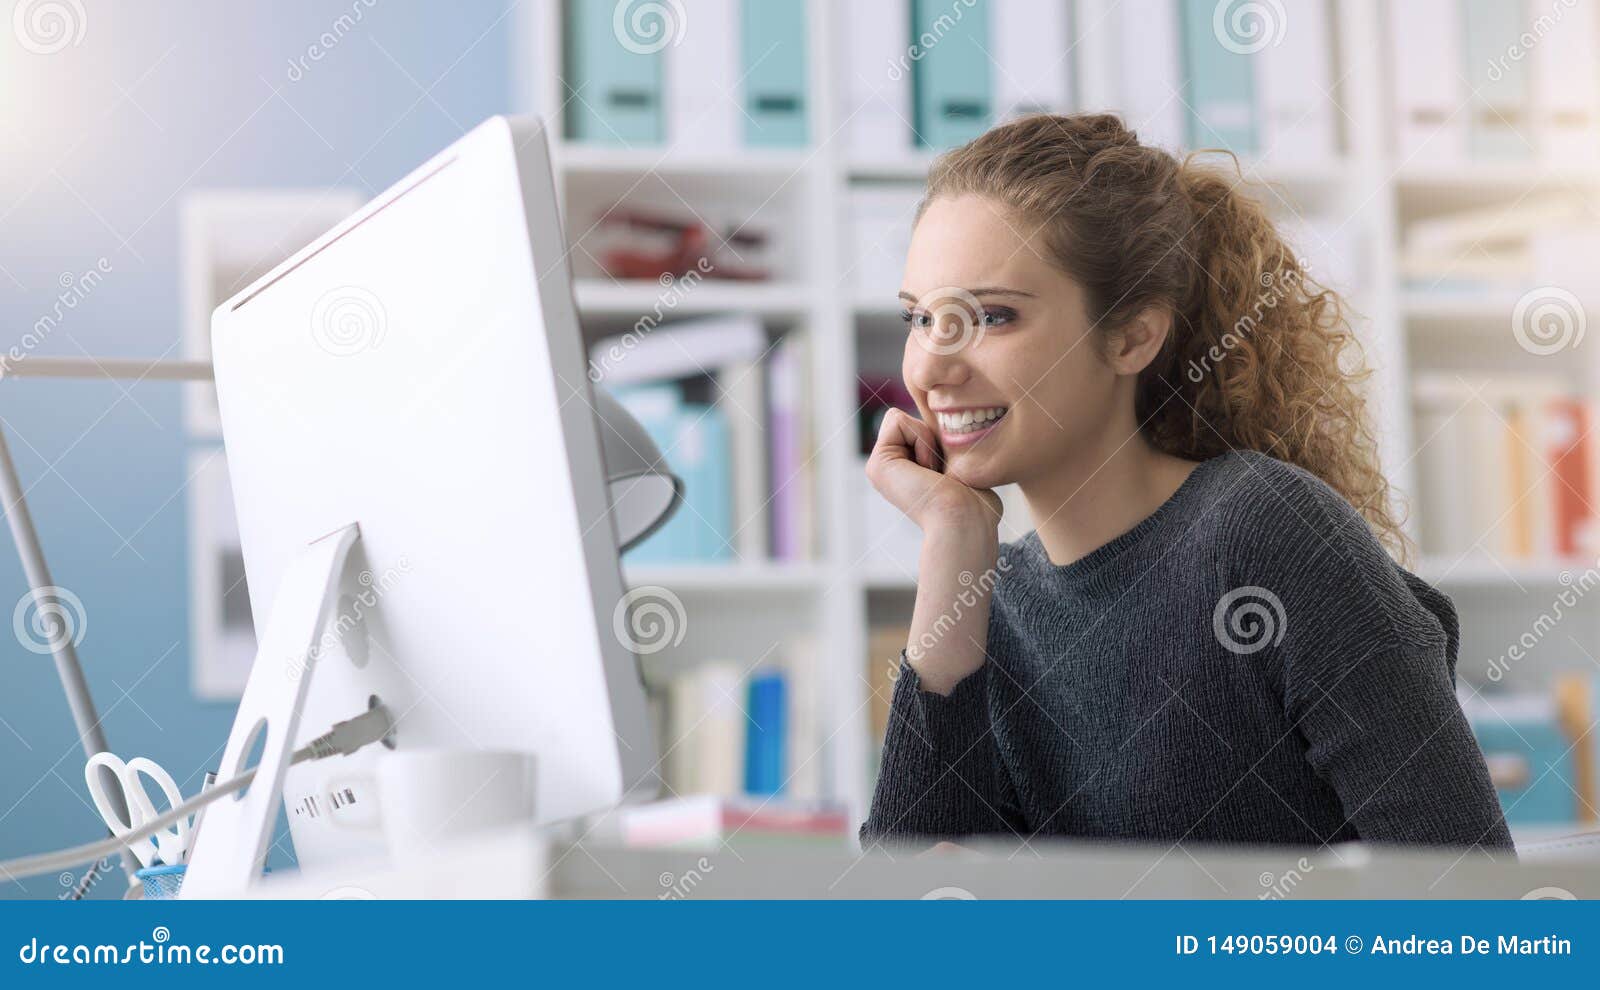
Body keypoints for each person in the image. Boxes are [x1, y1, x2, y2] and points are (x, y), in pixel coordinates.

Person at [861, 113, 1512, 852]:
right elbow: (902, 921)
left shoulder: (1265, 530)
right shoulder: (992, 601)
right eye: (921, 319)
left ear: (1133, 335)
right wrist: (953, 541)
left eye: (993, 316)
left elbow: (1472, 910)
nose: (930, 368)